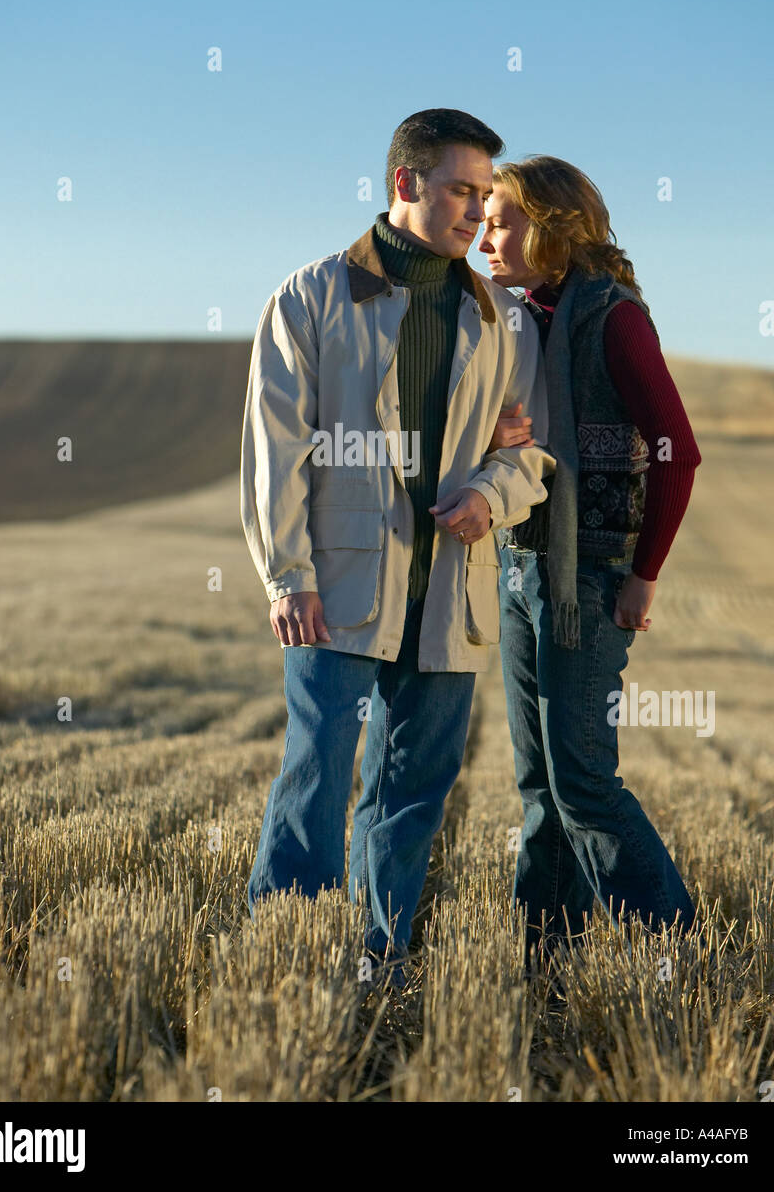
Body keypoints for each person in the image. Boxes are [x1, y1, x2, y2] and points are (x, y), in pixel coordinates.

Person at [240, 109, 556, 980]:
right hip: (336, 583)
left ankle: (380, 957)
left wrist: (490, 495)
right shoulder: (311, 296)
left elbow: (531, 452)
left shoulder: (505, 319)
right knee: (315, 773)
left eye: (485, 195)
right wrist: (287, 576)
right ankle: (286, 958)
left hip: (453, 586)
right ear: (404, 184)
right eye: (461, 190)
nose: (477, 212)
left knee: (414, 788)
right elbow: (273, 448)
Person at [479, 155, 701, 966]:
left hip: (588, 577)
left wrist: (644, 575)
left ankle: (673, 951)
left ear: (551, 227)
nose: (484, 239)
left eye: (501, 222)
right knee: (539, 786)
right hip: (519, 566)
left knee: (582, 783)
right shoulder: (517, 320)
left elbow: (678, 451)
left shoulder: (613, 317)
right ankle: (548, 960)